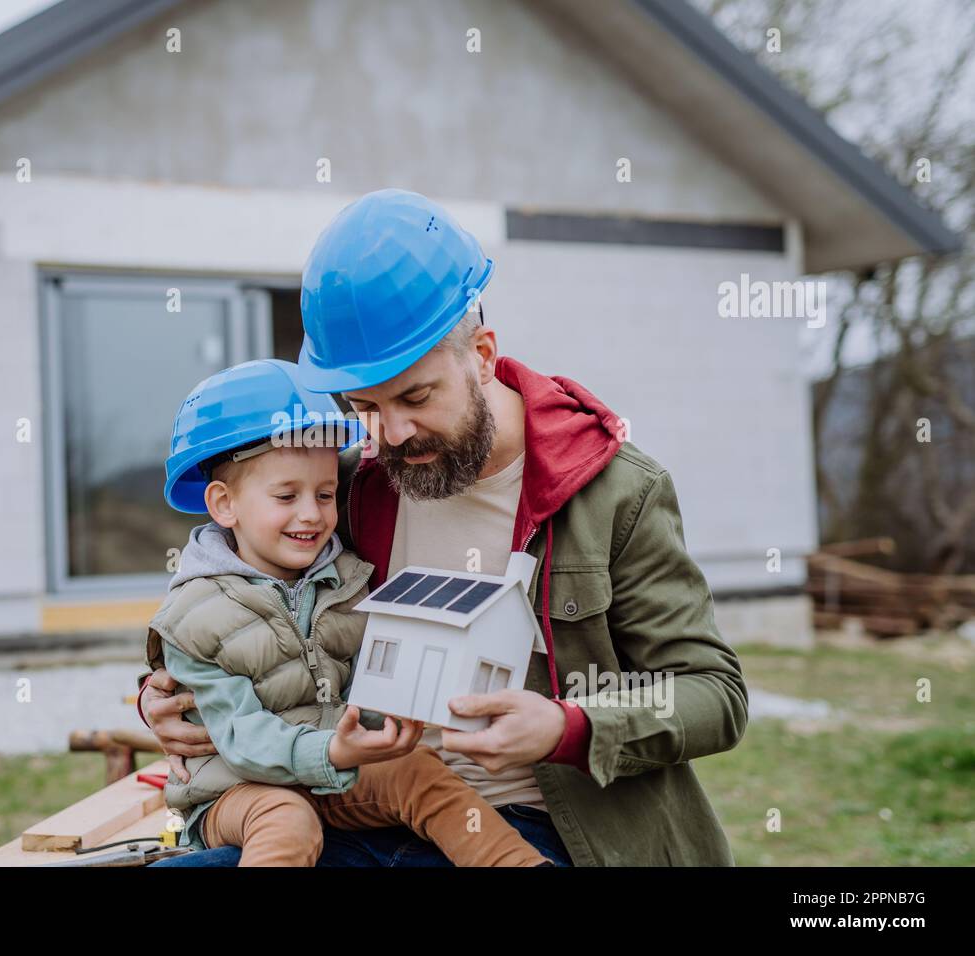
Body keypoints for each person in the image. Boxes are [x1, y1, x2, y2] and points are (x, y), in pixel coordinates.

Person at [144, 189, 748, 867]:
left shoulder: (615, 493)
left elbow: (713, 695)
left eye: (416, 397)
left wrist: (567, 726)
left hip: (548, 829)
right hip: (363, 805)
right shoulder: (349, 483)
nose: (392, 433)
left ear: (483, 354)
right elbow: (241, 598)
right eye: (366, 406)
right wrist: (162, 694)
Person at [148, 358, 550, 866]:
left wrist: (386, 723)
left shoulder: (346, 579)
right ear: (224, 505)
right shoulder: (197, 614)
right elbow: (240, 739)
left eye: (324, 494)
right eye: (286, 496)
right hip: (238, 788)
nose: (311, 514)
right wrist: (331, 754)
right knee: (285, 821)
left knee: (420, 773)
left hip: (334, 771)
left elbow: (370, 678)